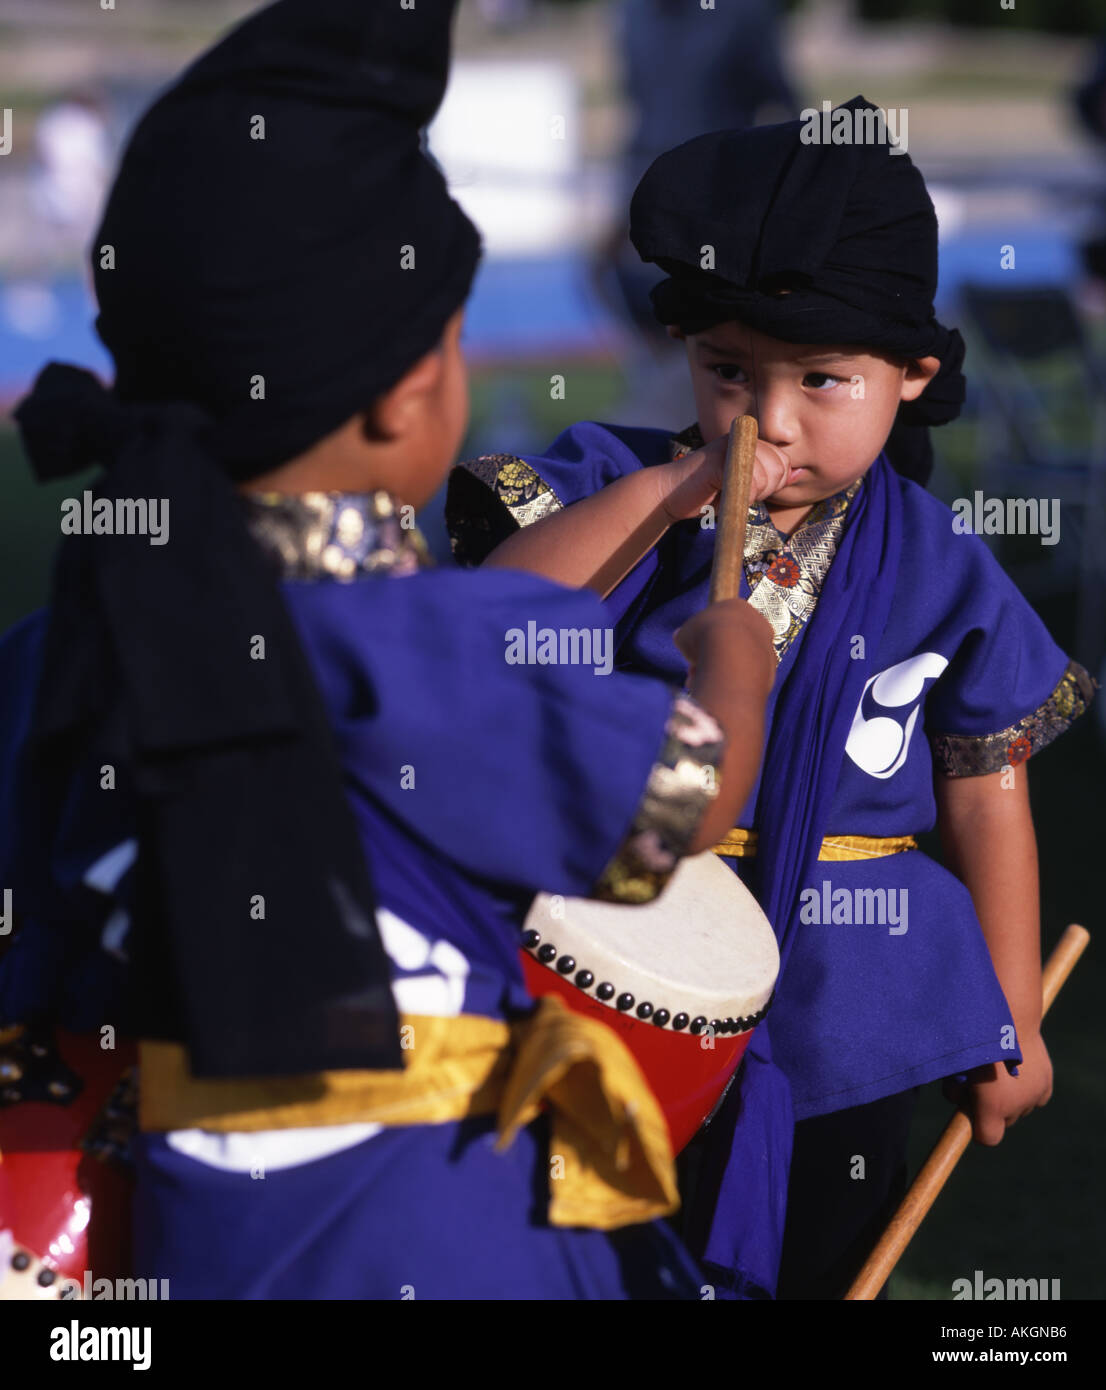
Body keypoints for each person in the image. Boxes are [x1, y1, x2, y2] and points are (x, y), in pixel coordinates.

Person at [0, 0, 778, 1300]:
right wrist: (731, 659)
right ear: (407, 391)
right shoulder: (419, 649)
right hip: (432, 1225)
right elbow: (685, 815)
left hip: (204, 1228)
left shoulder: (70, 632)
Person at [446, 97, 1096, 1299]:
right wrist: (672, 489)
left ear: (912, 377)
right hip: (615, 953)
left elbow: (986, 786)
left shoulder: (945, 564)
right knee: (584, 1244)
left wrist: (1012, 1013)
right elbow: (492, 612)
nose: (768, 419)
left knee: (821, 1251)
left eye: (823, 380)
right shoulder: (618, 484)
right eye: (728, 370)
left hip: (858, 999)